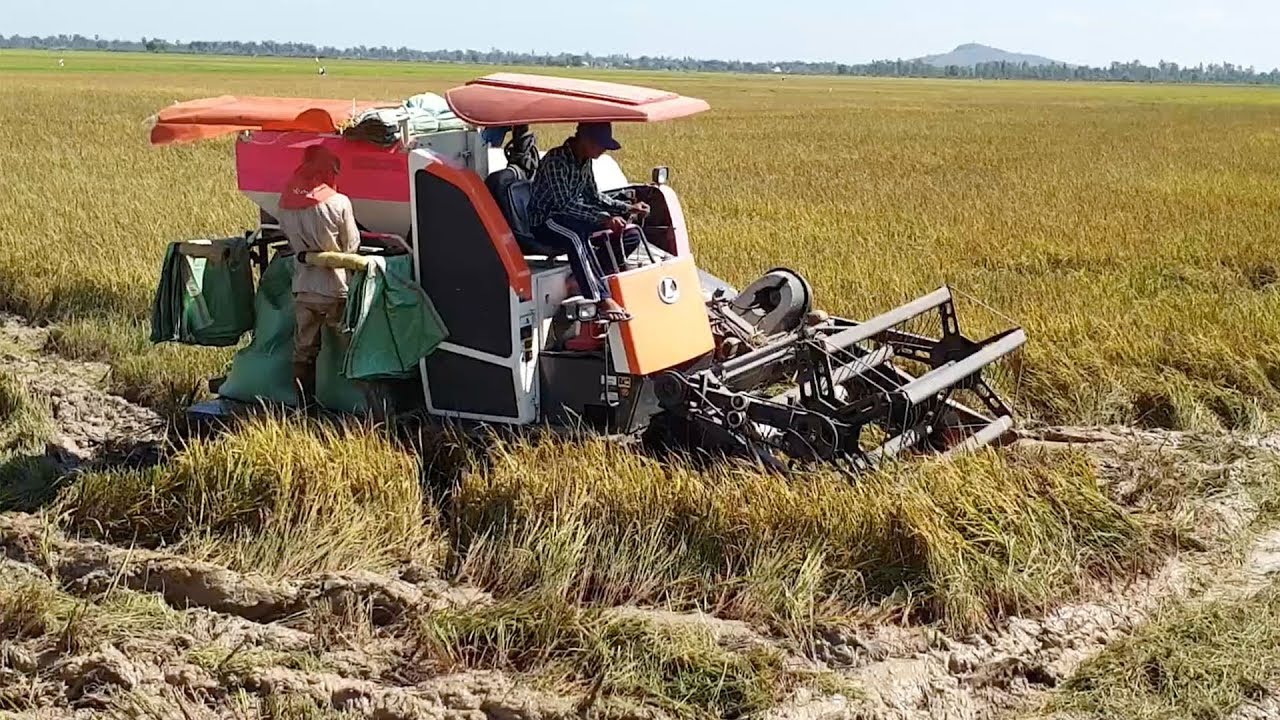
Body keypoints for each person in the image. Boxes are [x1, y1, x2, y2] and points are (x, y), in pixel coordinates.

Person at [276, 144, 407, 406]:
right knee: (354, 349)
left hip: (303, 288)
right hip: (337, 289)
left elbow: (291, 242)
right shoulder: (338, 203)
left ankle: (305, 407)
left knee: (304, 352)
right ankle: (374, 410)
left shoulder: (285, 201)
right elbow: (351, 246)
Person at [528, 122, 649, 322]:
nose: (603, 150)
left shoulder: (585, 161)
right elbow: (564, 205)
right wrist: (604, 218)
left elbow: (594, 196)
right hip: (547, 220)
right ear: (585, 139)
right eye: (601, 144)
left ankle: (586, 277)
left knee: (630, 234)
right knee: (575, 238)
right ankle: (601, 298)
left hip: (572, 217)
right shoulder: (556, 161)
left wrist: (627, 208)